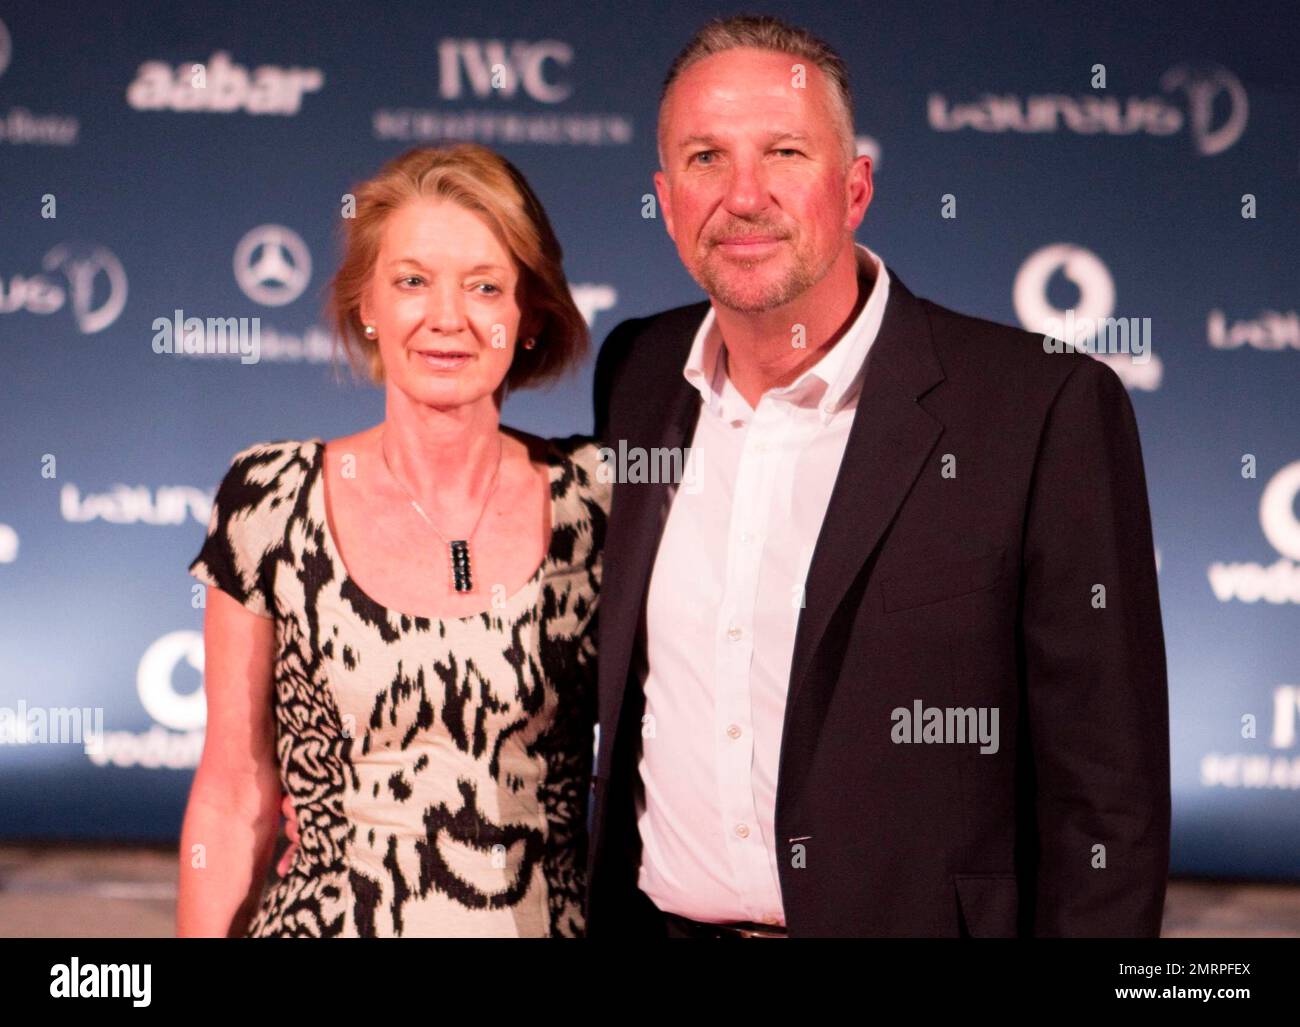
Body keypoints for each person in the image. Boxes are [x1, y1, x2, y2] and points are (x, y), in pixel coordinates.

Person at [585, 15, 1170, 937]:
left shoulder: (1041, 409)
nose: (743, 196)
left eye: (784, 151)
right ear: (663, 197)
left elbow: (1110, 802)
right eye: (705, 158)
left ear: (855, 187)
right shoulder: (639, 372)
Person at [176, 144, 608, 937]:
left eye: (485, 286)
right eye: (413, 281)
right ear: (366, 304)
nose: (448, 317)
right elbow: (234, 789)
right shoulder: (271, 501)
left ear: (530, 315)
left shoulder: (598, 497)